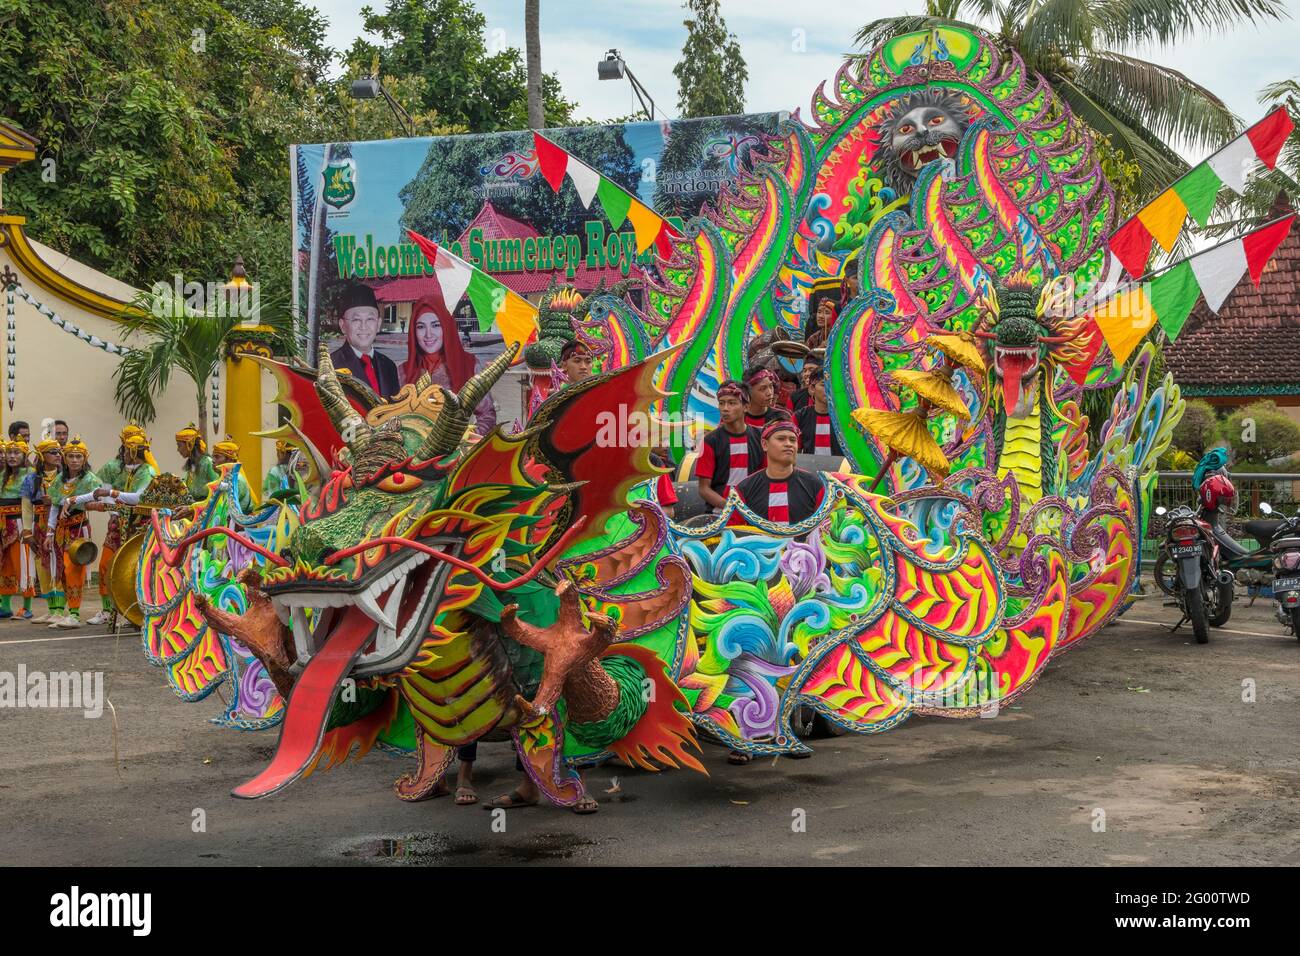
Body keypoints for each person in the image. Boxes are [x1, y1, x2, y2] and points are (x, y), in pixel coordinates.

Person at [401, 295, 498, 435]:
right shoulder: (402, 372)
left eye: (436, 325)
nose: (428, 334)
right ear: (413, 332)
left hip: (458, 453)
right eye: (421, 327)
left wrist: (464, 441)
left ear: (447, 326)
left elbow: (487, 415)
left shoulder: (469, 365)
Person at [89, 429, 157, 625]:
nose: (124, 452)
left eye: (128, 449)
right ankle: (106, 609)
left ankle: (130, 610)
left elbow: (139, 498)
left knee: (134, 569)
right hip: (118, 521)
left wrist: (113, 493)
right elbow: (103, 489)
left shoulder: (148, 471)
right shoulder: (114, 467)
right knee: (105, 565)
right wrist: (115, 512)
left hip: (138, 525)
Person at [732, 419, 826, 527]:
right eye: (781, 439)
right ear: (764, 444)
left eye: (793, 440)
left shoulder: (815, 485)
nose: (788, 444)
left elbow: (826, 528)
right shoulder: (744, 489)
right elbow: (734, 531)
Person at [48, 436, 100, 629]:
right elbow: (54, 507)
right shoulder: (58, 480)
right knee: (62, 570)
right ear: (64, 457)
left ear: (84, 459)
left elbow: (97, 495)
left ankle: (76, 615)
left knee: (73, 569)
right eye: (71, 456)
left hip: (78, 529)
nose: (75, 460)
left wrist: (72, 500)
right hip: (61, 531)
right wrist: (49, 533)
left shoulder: (90, 480)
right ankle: (68, 613)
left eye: (79, 456)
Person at [696, 381, 764, 512]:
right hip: (718, 513)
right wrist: (731, 507)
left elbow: (766, 477)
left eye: (732, 403)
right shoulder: (710, 441)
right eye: (721, 403)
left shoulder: (761, 437)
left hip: (755, 511)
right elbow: (704, 489)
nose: (725, 408)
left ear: (746, 407)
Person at [330, 283, 400, 399]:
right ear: (343, 326)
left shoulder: (389, 365)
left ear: (378, 324)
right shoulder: (331, 366)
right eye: (356, 319)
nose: (364, 326)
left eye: (370, 319)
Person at [22, 440, 63, 624]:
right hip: (39, 525)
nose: (57, 455)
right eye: (52, 452)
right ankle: (51, 609)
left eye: (59, 452)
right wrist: (27, 532)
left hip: (60, 526)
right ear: (41, 456)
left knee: (58, 566)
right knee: (43, 567)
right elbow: (27, 508)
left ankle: (60, 610)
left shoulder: (65, 476)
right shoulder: (31, 479)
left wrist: (54, 500)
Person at [0, 440, 34, 620]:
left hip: (20, 524)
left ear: (24, 455)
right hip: (3, 524)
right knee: (5, 566)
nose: (12, 456)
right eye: (9, 453)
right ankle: (5, 606)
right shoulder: (2, 475)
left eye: (16, 453)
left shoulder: (31, 475)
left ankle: (27, 607)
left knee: (23, 564)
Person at [796, 366, 844, 457]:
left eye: (833, 384)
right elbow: (795, 452)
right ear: (812, 389)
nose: (830, 388)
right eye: (823, 384)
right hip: (809, 470)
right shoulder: (800, 416)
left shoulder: (845, 416)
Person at [210, 436, 257, 512]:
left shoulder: (237, 480)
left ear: (230, 459)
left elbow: (225, 509)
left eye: (217, 457)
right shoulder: (221, 478)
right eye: (213, 457)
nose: (213, 460)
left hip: (238, 522)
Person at [176, 424, 219, 501]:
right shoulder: (191, 464)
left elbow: (217, 489)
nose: (178, 450)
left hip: (206, 507)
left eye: (179, 446)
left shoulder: (207, 462)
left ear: (189, 445)